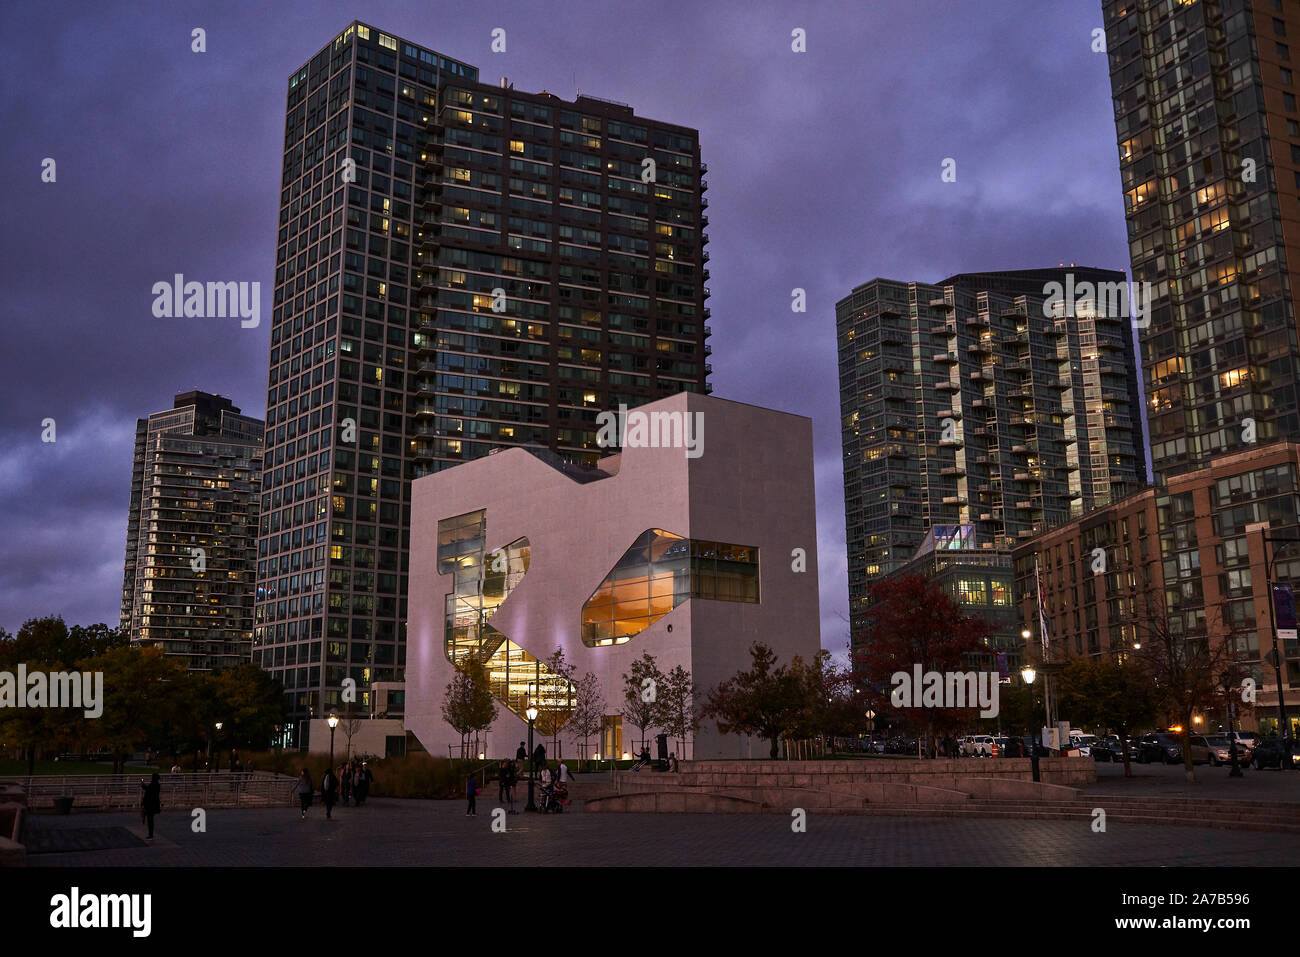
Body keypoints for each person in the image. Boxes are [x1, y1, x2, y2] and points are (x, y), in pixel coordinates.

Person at [140, 772, 162, 839]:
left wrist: (142, 784)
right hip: (154, 804)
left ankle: (150, 834)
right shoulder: (157, 785)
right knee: (151, 819)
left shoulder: (152, 785)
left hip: (150, 805)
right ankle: (151, 834)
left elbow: (148, 790)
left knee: (150, 820)